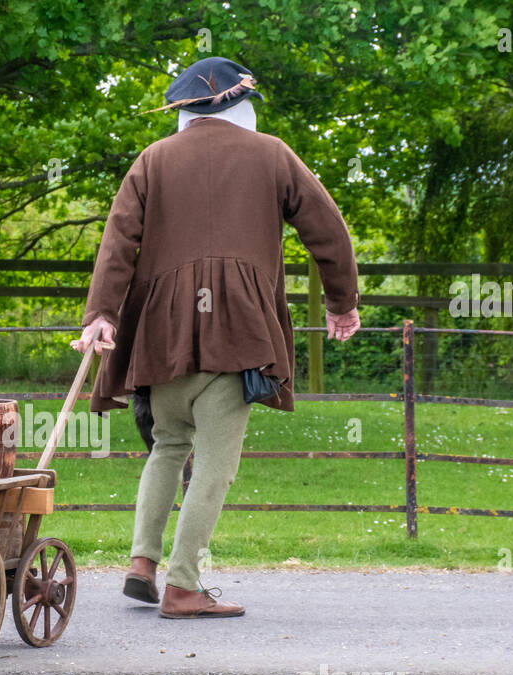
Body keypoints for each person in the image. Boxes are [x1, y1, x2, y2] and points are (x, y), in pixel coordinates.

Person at [73, 56, 361, 619]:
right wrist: (341, 303)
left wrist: (102, 314)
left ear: (186, 111)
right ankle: (183, 586)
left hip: (160, 336)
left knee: (166, 448)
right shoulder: (273, 154)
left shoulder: (152, 160)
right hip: (238, 335)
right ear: (240, 104)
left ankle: (142, 563)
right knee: (214, 464)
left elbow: (117, 243)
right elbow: (327, 229)